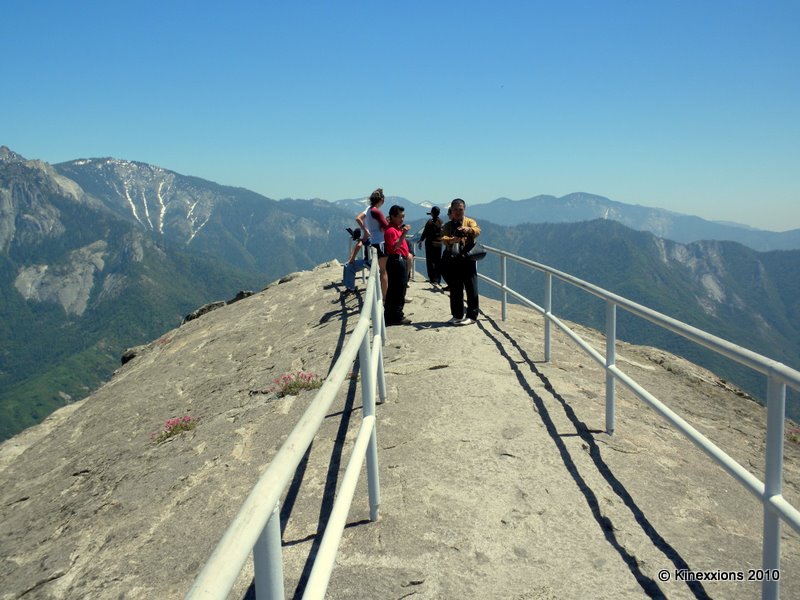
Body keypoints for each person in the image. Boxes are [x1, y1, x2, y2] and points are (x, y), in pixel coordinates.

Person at [440, 198, 481, 325]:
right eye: (455, 209)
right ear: (451, 210)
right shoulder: (447, 225)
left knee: (471, 287)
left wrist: (468, 230)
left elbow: (478, 230)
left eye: (460, 209)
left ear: (464, 209)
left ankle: (472, 316)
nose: (458, 212)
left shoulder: (469, 222)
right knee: (455, 287)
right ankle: (457, 315)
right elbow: (444, 238)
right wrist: (453, 240)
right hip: (454, 258)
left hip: (468, 258)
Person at [356, 188, 389, 298]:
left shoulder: (369, 210)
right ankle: (384, 297)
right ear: (381, 200)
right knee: (384, 271)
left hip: (374, 242)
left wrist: (366, 230)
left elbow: (359, 218)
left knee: (379, 270)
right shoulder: (376, 211)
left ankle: (379, 294)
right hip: (381, 242)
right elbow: (387, 227)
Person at [383, 204, 411, 325]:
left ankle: (390, 315)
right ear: (393, 217)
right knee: (398, 289)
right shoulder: (391, 231)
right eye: (400, 216)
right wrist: (404, 234)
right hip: (396, 261)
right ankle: (397, 316)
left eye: (403, 216)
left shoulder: (396, 229)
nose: (402, 219)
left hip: (399, 260)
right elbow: (394, 247)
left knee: (395, 289)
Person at [417, 206, 444, 285]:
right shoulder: (441, 221)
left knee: (430, 261)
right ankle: (437, 279)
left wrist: (421, 240)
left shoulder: (429, 222)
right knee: (438, 261)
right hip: (439, 244)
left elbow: (425, 232)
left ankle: (432, 278)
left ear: (432, 213)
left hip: (430, 244)